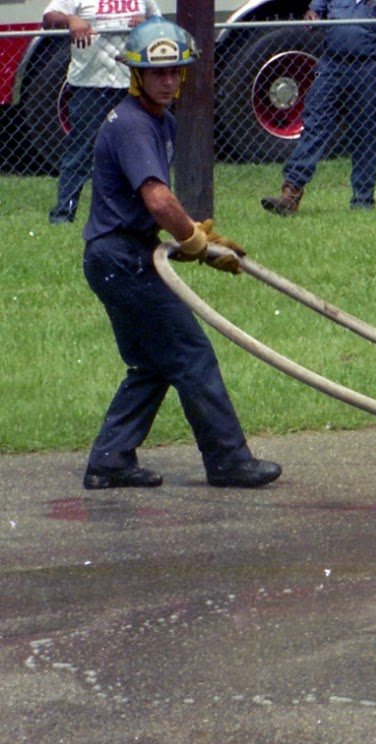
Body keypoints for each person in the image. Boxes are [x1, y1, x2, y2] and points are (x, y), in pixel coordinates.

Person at [81, 19, 280, 491]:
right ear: (137, 76)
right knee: (192, 356)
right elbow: (157, 200)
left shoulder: (158, 121)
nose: (168, 81)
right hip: (122, 260)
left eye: (175, 71)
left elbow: (156, 206)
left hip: (124, 257)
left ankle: (109, 460)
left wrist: (197, 240)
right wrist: (195, 243)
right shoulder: (132, 124)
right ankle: (229, 461)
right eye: (157, 73)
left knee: (152, 364)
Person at [260, 0, 376, 215]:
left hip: (369, 68)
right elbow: (314, 11)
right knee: (315, 127)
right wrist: (311, 16)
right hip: (331, 66)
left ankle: (363, 202)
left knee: (367, 134)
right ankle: (290, 194)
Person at [42, 0, 161, 225]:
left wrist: (146, 24)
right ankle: (63, 214)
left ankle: (143, 213)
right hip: (90, 84)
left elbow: (159, 21)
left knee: (139, 150)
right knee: (81, 151)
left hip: (131, 83)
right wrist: (71, 20)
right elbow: (49, 17)